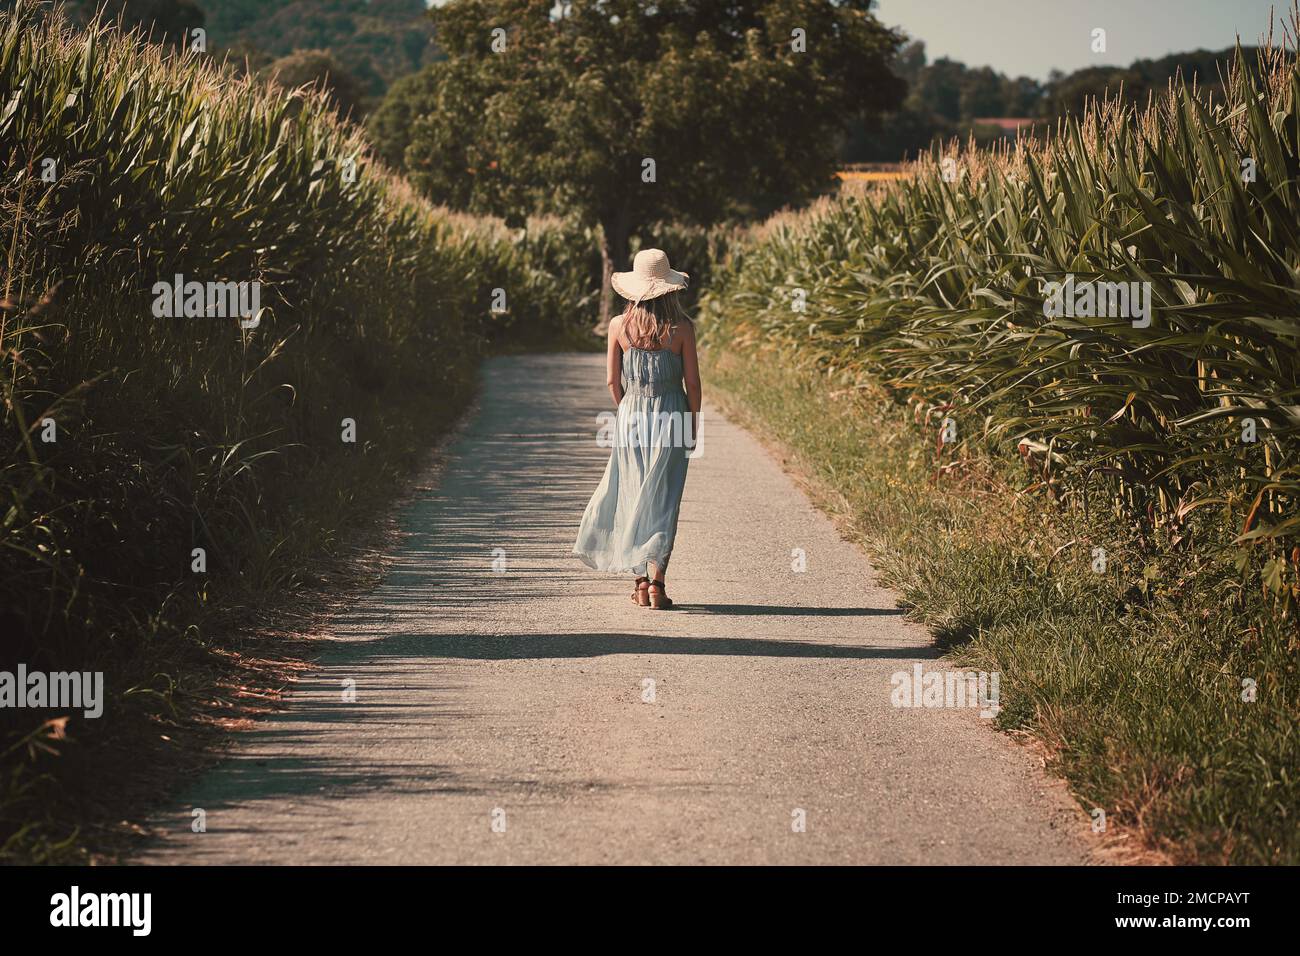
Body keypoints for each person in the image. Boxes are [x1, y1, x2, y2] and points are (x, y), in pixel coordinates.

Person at [572, 249, 701, 610]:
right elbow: (693, 384)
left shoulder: (618, 326)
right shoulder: (682, 329)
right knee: (663, 499)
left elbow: (613, 381)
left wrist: (629, 410)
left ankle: (640, 584)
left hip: (631, 417)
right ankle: (658, 585)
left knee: (631, 494)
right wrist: (691, 425)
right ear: (669, 288)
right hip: (672, 415)